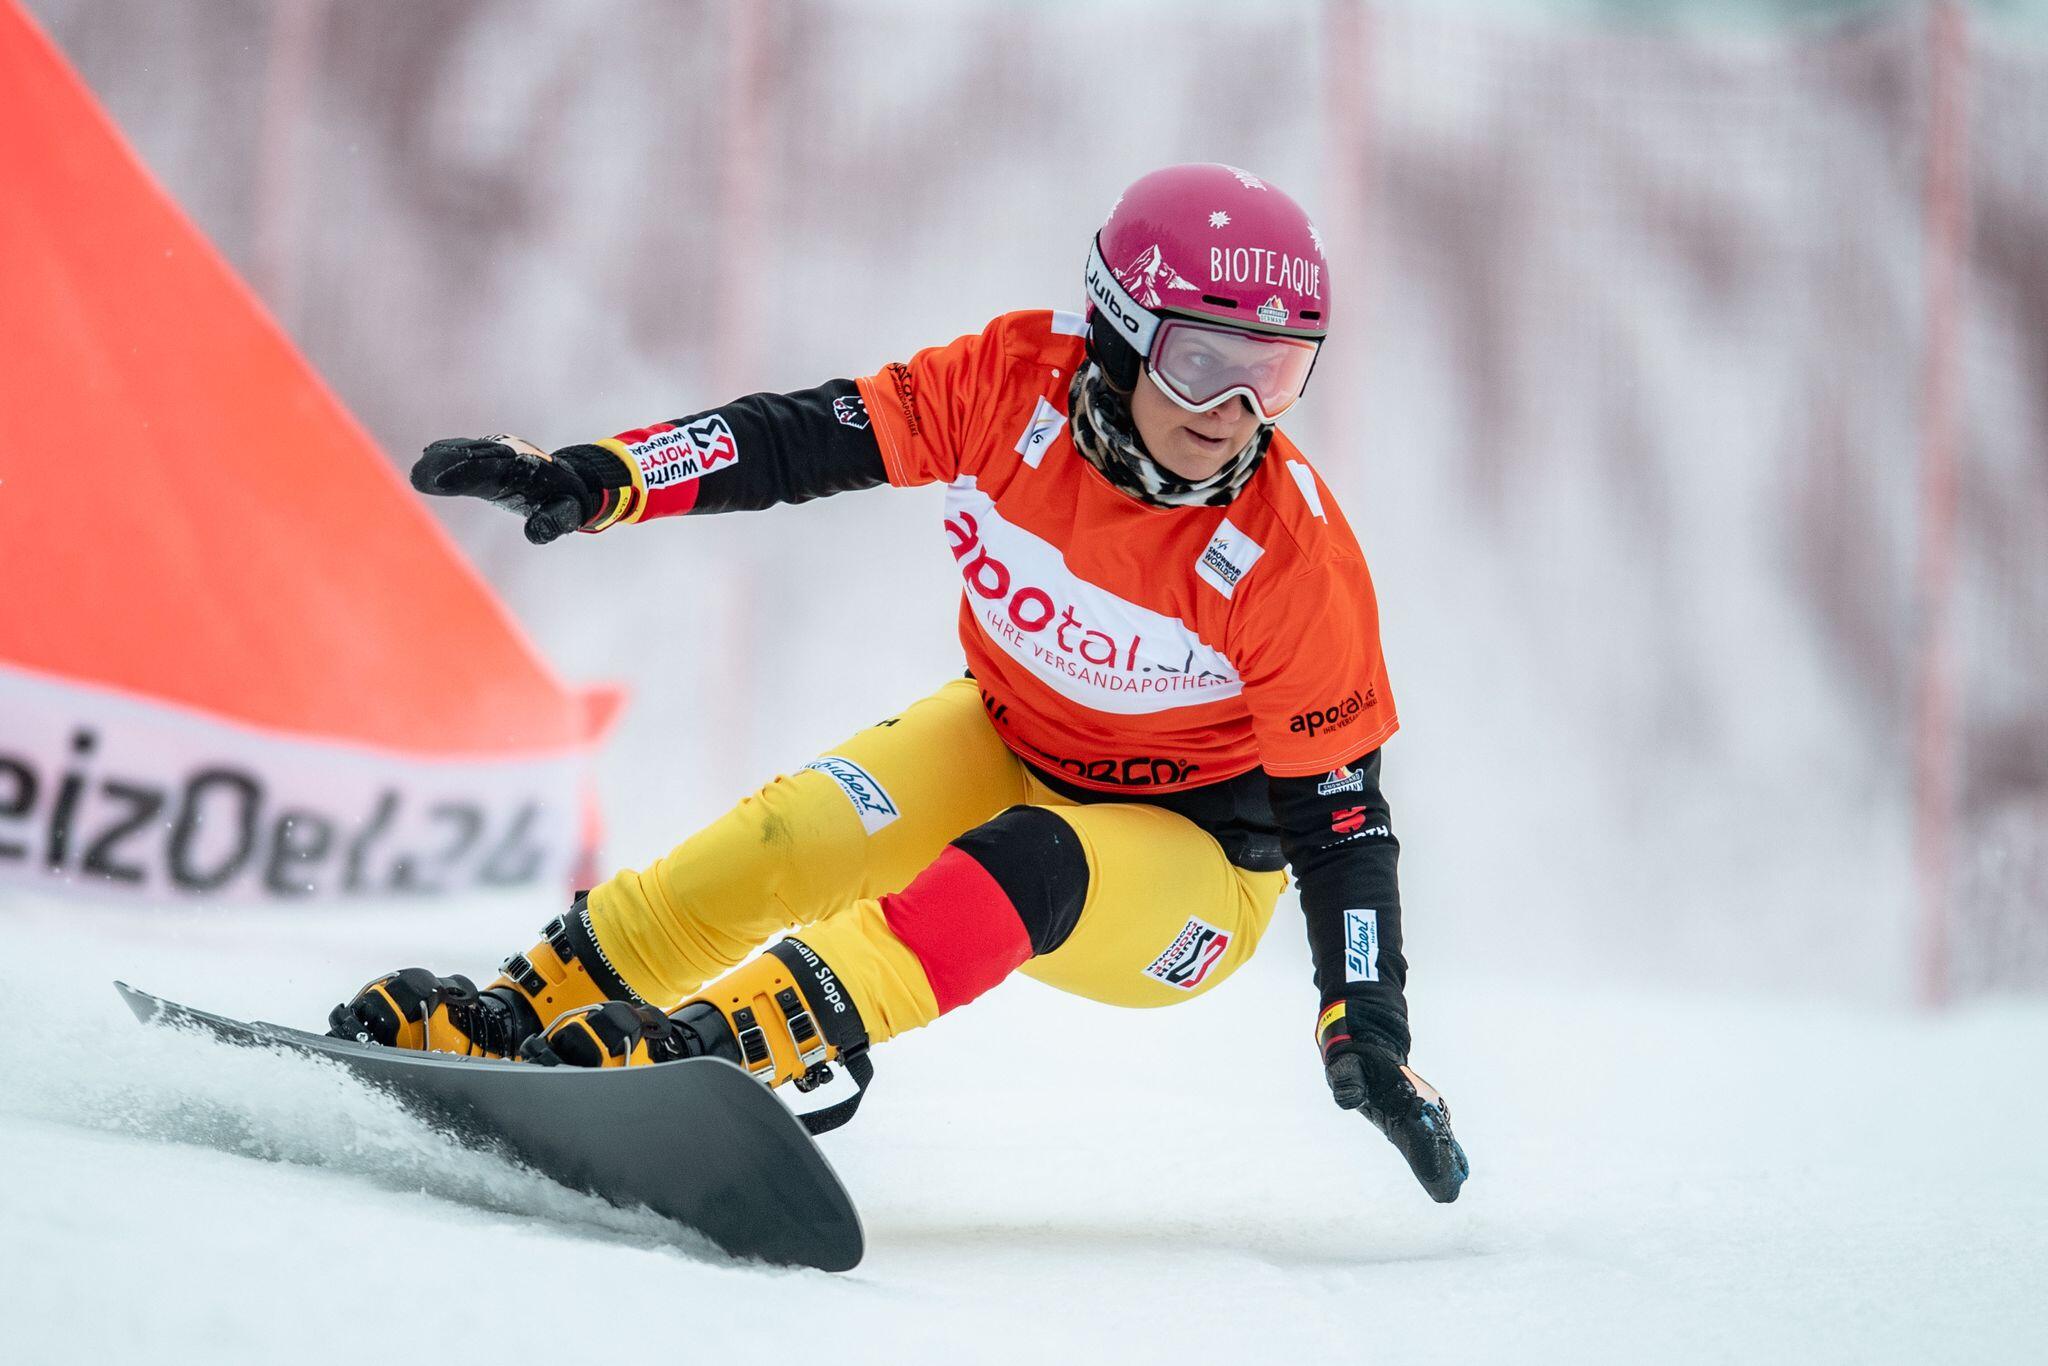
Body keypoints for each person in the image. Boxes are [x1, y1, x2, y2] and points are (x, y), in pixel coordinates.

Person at [333, 163, 1468, 1202]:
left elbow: (1343, 823)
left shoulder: (1291, 559)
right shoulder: (1007, 385)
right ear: (1117, 338)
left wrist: (1363, 1017)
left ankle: (737, 1044)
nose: (1232, 419)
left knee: (1029, 859)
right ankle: (517, 1009)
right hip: (1015, 738)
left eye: (1273, 377)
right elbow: (791, 441)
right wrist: (603, 476)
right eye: (1199, 364)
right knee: (790, 838)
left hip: (1199, 863)